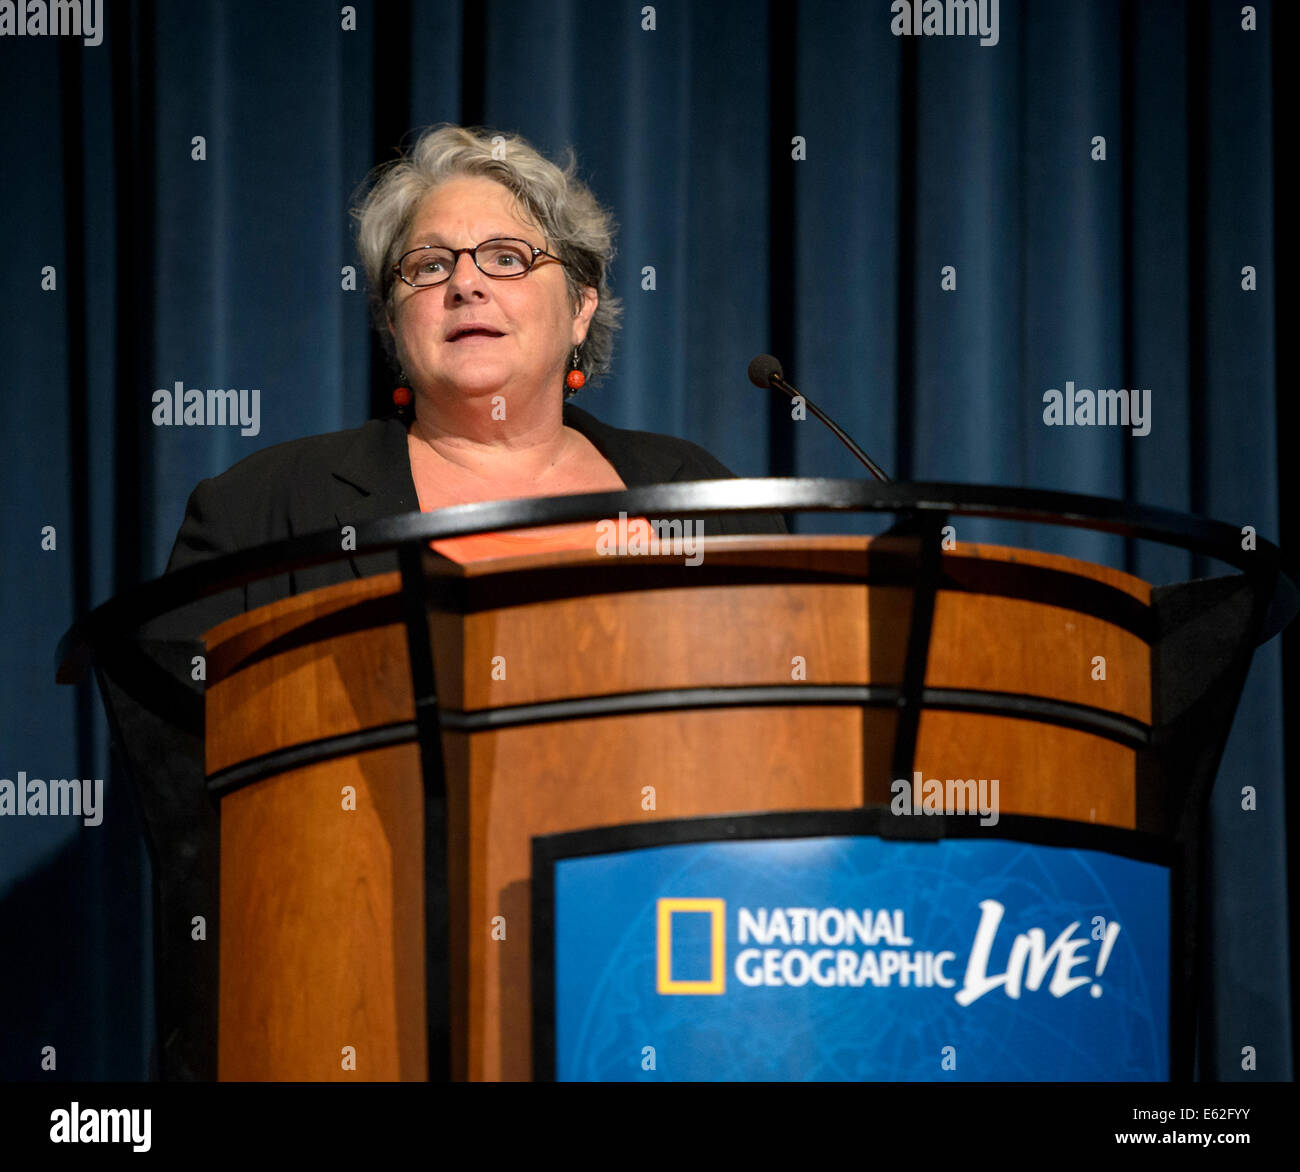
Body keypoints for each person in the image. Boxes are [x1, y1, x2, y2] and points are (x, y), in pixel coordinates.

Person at [163, 123, 786, 628]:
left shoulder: (707, 497)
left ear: (579, 307)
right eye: (430, 266)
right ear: (392, 320)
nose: (466, 284)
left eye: (507, 258)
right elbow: (177, 751)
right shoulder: (260, 510)